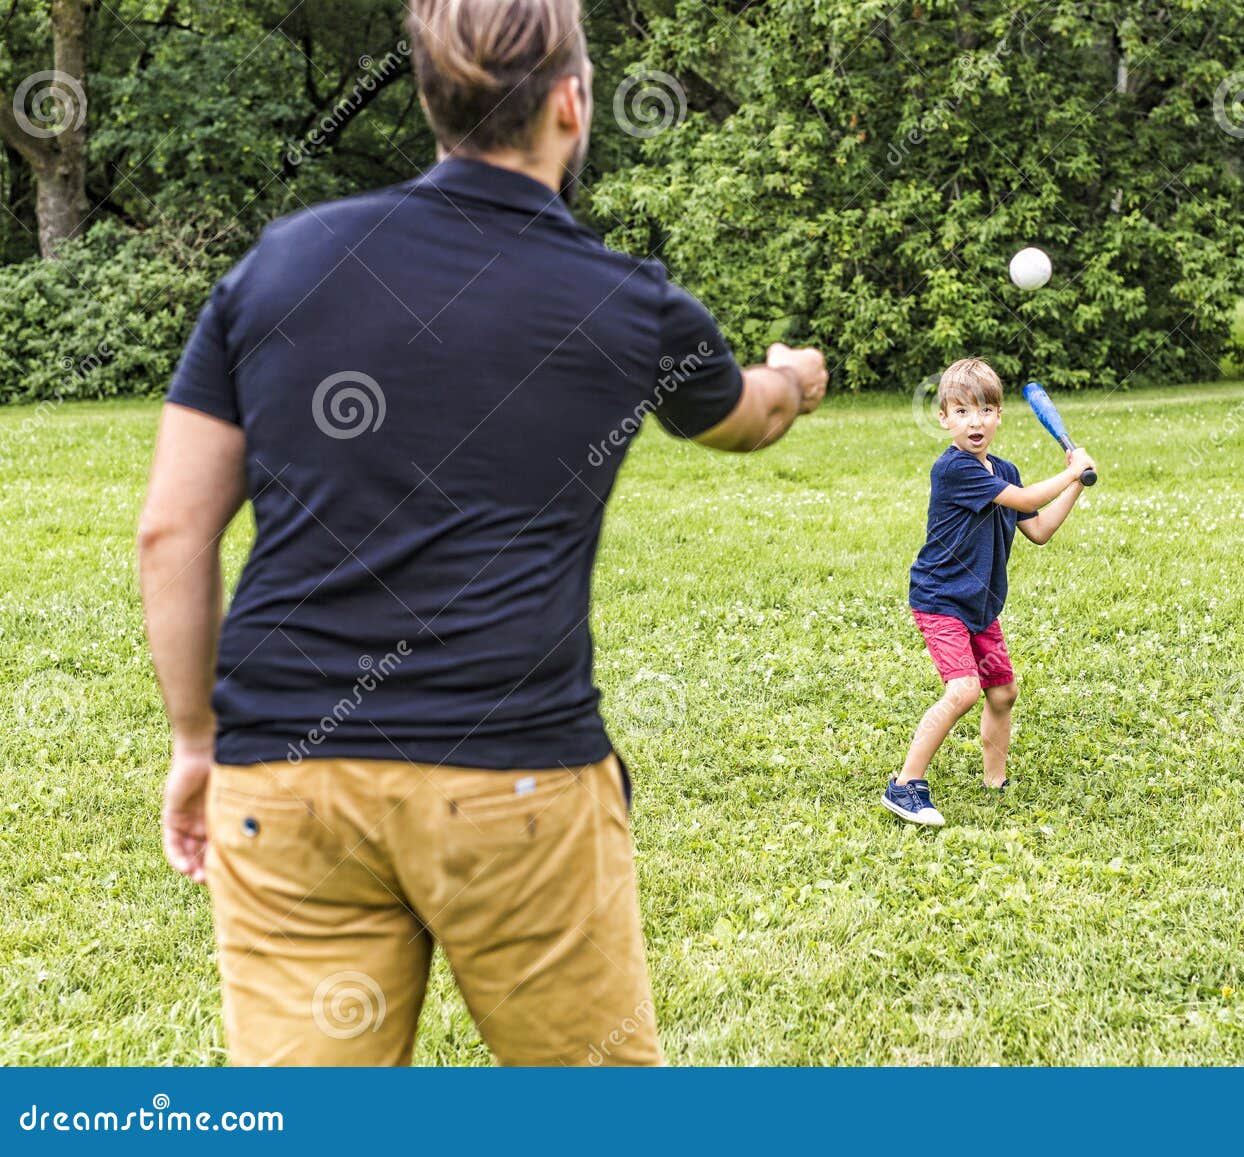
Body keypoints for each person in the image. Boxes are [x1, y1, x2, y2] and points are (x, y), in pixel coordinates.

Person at [136, 0, 827, 1066]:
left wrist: (195, 740)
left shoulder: (283, 263)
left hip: (285, 783)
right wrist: (793, 376)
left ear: (431, 100)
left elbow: (173, 532)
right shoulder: (627, 301)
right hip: (520, 784)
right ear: (569, 101)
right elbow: (747, 417)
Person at [883, 358, 1092, 826]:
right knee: (962, 690)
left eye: (985, 410)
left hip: (979, 604)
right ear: (944, 419)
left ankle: (995, 782)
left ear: (999, 416)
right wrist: (1070, 470)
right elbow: (1024, 500)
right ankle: (904, 786)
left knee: (1002, 693)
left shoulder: (1004, 469)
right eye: (961, 412)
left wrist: (1075, 484)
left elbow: (1038, 528)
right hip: (941, 600)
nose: (974, 422)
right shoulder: (955, 469)